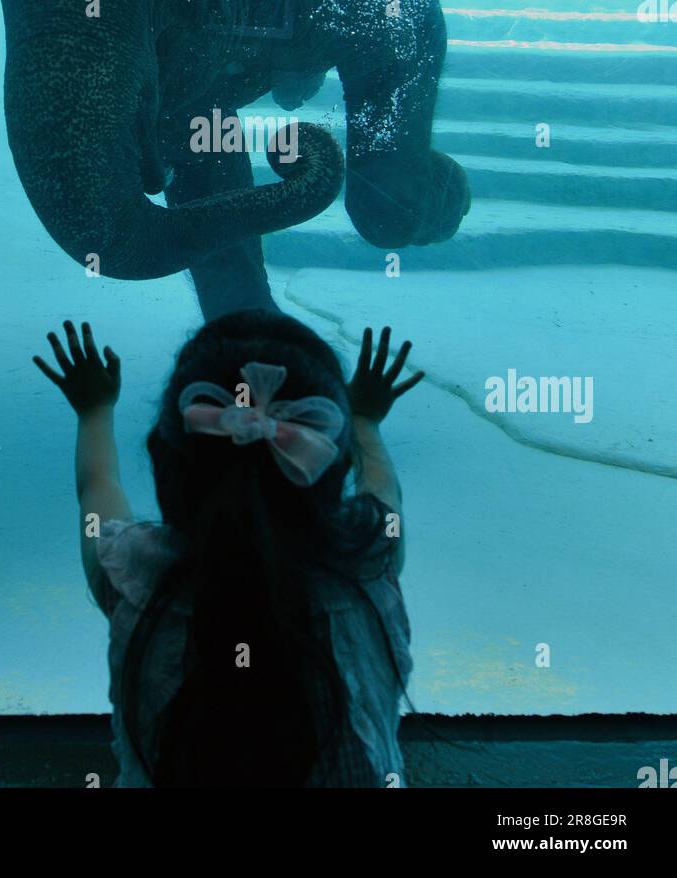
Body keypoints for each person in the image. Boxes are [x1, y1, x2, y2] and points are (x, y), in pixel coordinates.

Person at [34, 308, 424, 787]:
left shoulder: (133, 576)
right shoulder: (369, 557)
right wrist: (364, 420)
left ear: (161, 462)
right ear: (337, 467)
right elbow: (386, 489)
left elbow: (95, 488)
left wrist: (94, 410)